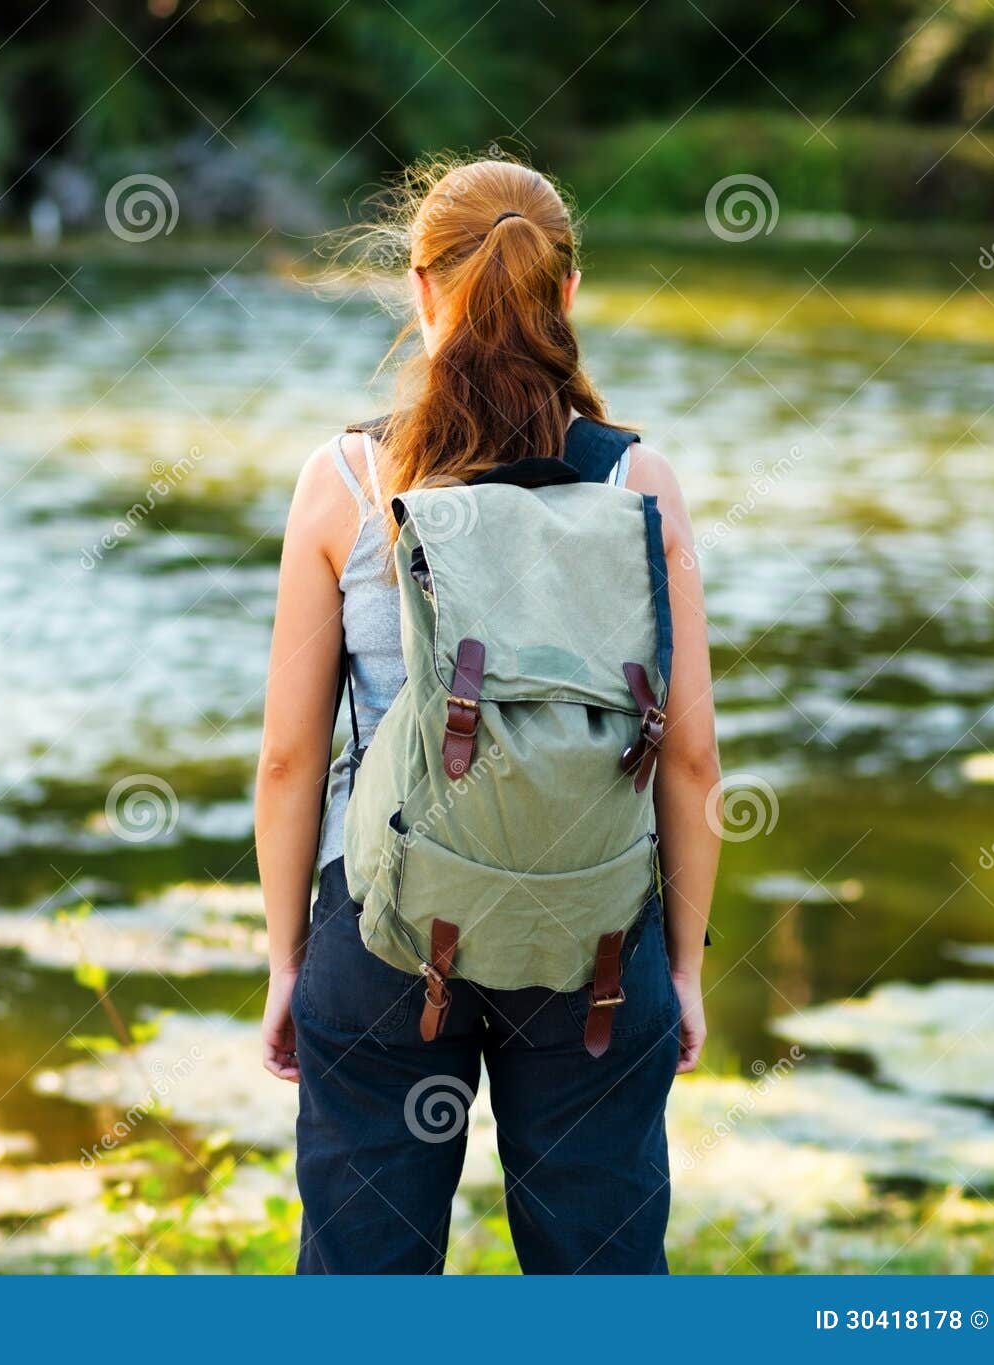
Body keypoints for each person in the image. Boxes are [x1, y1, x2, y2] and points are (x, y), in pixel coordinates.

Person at [253, 156, 721, 1274]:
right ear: (566, 294)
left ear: (420, 289)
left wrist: (285, 962)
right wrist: (684, 967)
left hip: (384, 928)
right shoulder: (636, 485)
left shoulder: (347, 482)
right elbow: (691, 765)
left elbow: (286, 758)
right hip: (594, 943)